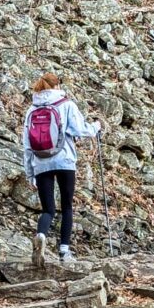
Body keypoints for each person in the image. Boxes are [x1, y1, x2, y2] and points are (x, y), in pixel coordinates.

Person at [23, 72, 101, 265]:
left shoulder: (31, 110)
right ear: (57, 86)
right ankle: (64, 251)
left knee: (48, 209)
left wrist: (30, 173)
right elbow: (81, 130)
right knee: (67, 207)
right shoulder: (66, 105)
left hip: (41, 163)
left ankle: (41, 234)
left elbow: (26, 145)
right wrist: (96, 127)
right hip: (65, 161)